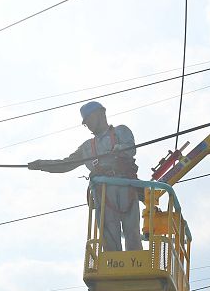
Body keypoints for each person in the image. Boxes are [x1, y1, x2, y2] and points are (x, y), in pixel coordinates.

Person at [28, 101, 143, 252]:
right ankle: (112, 264)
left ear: (101, 114)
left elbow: (131, 149)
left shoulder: (121, 131)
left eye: (89, 119)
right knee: (108, 233)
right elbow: (66, 164)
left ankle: (135, 263)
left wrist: (119, 149)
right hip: (104, 194)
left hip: (125, 188)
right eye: (85, 122)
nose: (87, 124)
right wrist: (42, 165)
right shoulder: (86, 148)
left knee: (132, 231)